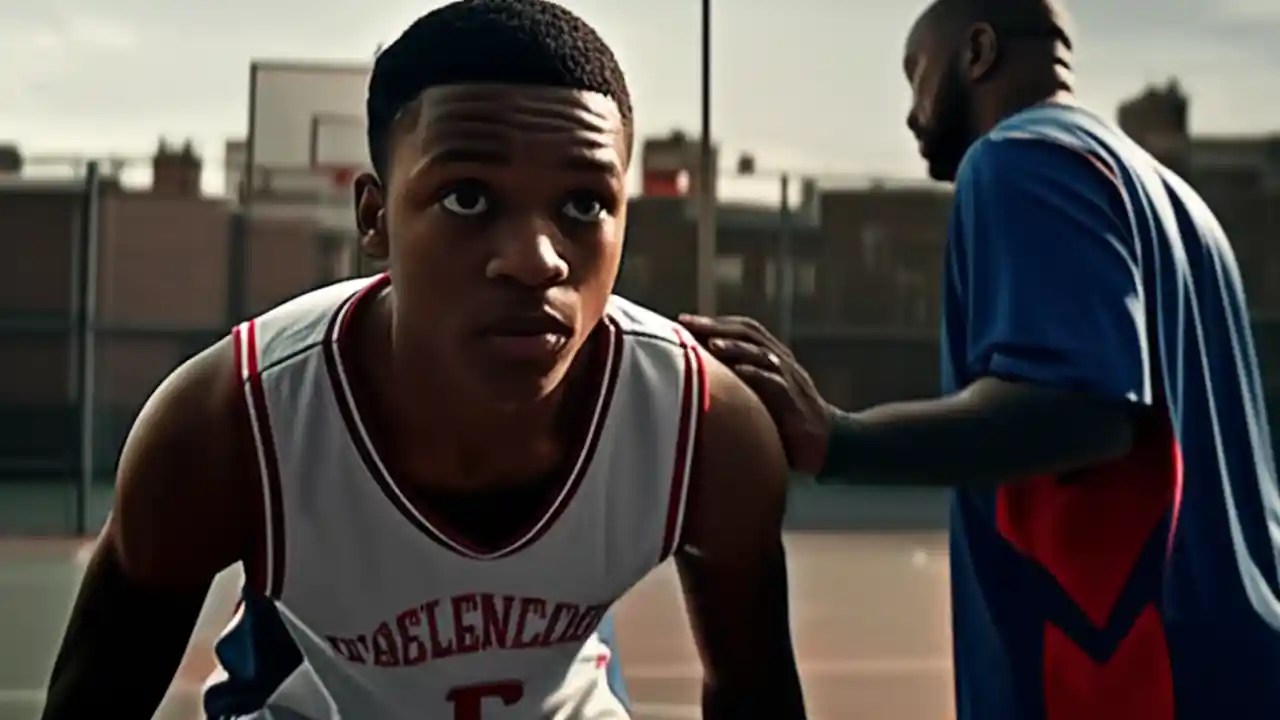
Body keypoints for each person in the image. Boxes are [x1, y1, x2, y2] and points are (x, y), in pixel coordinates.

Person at [40, 2, 807, 719]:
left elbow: (755, 692)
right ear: (374, 218)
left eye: (584, 205)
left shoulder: (703, 426)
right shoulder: (232, 424)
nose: (536, 259)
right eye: (468, 199)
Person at [682, 0, 1280, 717]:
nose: (910, 113)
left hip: (1131, 686)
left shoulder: (1021, 157)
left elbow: (1077, 411)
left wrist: (840, 438)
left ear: (978, 51)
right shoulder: (1180, 204)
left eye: (917, 75)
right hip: (1240, 660)